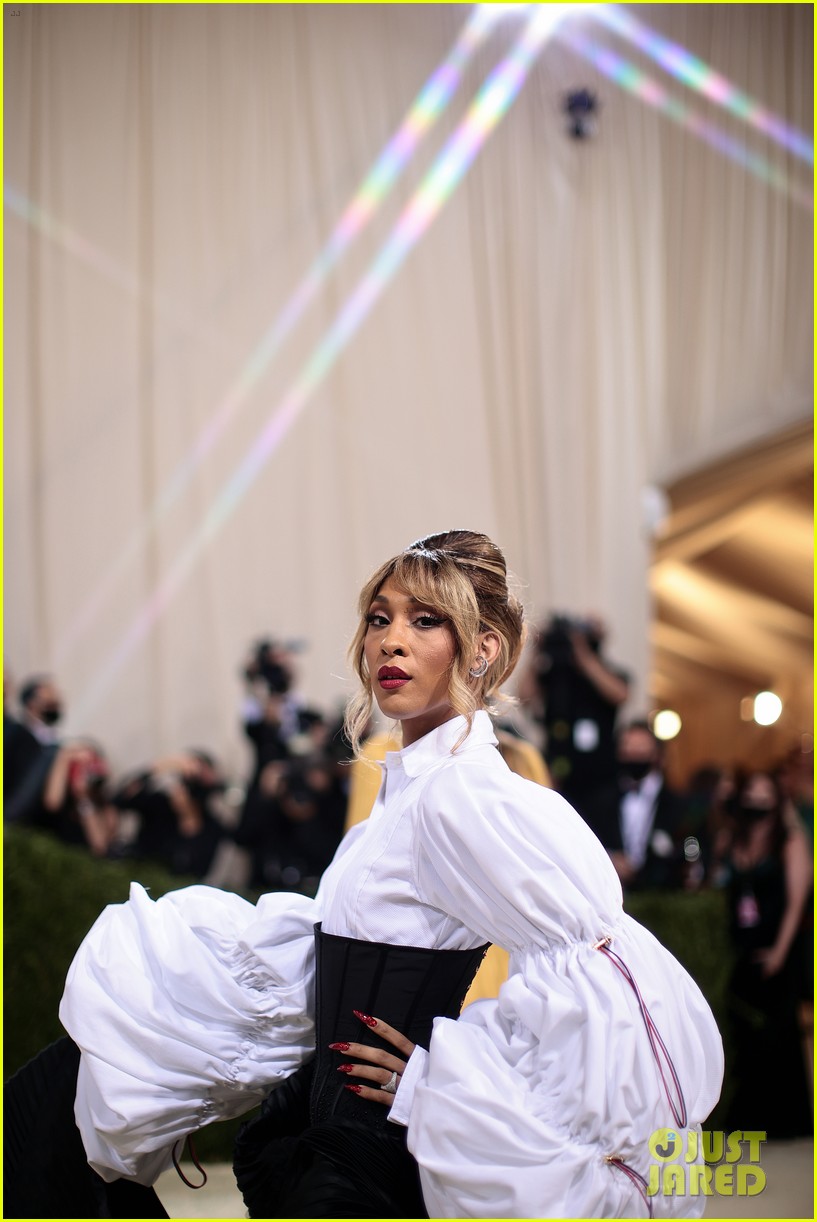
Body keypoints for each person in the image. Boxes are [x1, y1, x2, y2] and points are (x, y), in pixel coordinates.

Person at [9, 531, 722, 1219]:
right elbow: (336, 951)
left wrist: (437, 1086)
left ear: (482, 649)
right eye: (379, 618)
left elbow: (601, 977)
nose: (391, 639)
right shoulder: (404, 790)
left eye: (425, 620)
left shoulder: (462, 796)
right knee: (45, 1112)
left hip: (373, 1160)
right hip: (334, 1140)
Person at [715, 769, 812, 1138]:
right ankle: (748, 1118)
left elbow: (797, 902)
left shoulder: (790, 841)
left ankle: (786, 1121)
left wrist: (780, 951)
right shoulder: (733, 841)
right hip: (741, 949)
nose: (756, 802)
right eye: (750, 794)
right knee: (744, 1034)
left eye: (764, 794)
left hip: (778, 948)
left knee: (779, 1032)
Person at [518, 612, 630, 808]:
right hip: (557, 774)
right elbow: (523, 697)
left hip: (599, 777)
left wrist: (583, 655)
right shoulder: (553, 674)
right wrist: (536, 652)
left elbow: (620, 694)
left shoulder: (605, 671)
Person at [581, 720, 689, 890]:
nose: (634, 756)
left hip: (661, 895)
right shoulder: (600, 801)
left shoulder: (677, 805)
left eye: (641, 750)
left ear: (656, 755)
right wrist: (610, 859)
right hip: (612, 890)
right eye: (628, 750)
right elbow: (586, 844)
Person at [3, 673, 65, 825]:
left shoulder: (53, 742)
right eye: (49, 700)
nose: (55, 703)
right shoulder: (15, 732)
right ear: (31, 703)